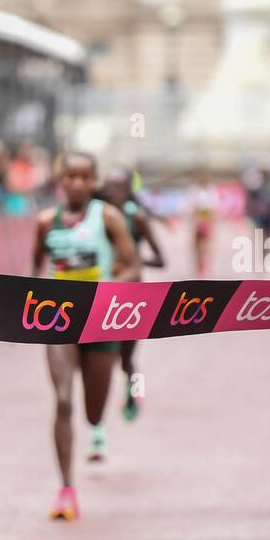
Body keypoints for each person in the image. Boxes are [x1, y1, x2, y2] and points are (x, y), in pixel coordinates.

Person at [33, 152, 139, 521]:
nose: (76, 184)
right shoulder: (46, 222)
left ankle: (97, 429)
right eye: (70, 177)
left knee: (94, 409)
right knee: (63, 400)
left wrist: (105, 289)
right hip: (59, 322)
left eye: (84, 178)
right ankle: (66, 490)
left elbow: (134, 267)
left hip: (101, 321)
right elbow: (34, 277)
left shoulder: (107, 217)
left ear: (93, 182)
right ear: (60, 180)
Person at [100, 168, 165, 422]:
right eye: (109, 186)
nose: (112, 192)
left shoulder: (136, 217)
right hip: (103, 290)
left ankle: (132, 391)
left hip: (131, 295)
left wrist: (136, 262)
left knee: (127, 357)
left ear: (128, 191)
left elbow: (161, 259)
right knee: (100, 352)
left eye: (118, 187)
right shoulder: (98, 216)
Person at [188, 171, 219, 276]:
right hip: (200, 219)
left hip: (205, 219)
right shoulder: (197, 190)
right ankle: (200, 264)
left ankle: (204, 264)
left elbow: (214, 208)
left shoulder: (209, 190)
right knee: (197, 245)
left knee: (205, 245)